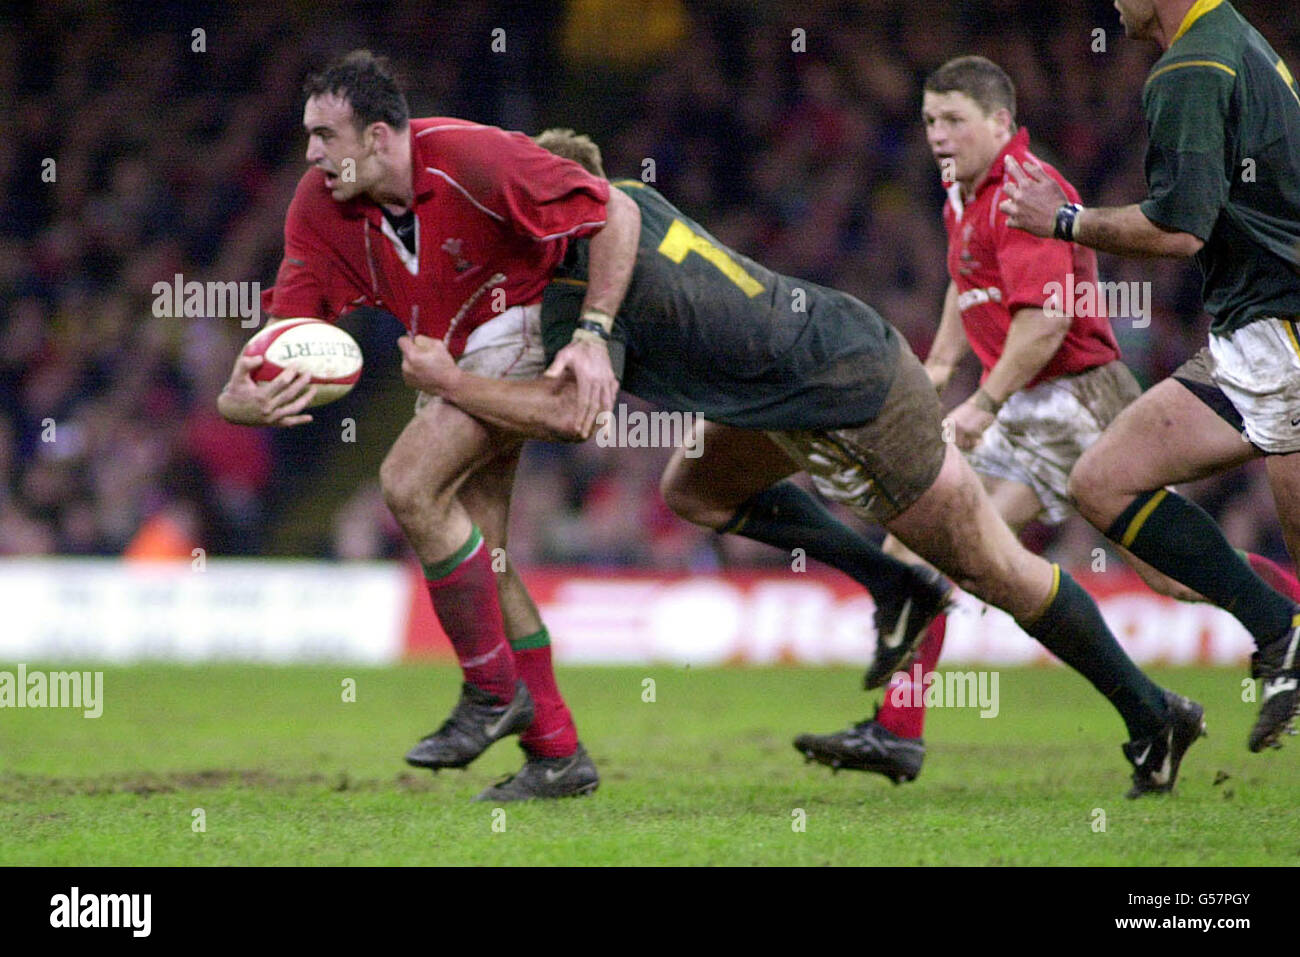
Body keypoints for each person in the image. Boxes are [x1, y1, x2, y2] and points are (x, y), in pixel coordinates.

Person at [400, 129, 1206, 798]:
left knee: (1001, 571)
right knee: (694, 486)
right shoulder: (635, 207)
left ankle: (1152, 713)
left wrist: (448, 381)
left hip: (852, 389)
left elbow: (569, 414)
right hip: (798, 378)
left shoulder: (583, 286)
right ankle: (893, 582)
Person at [794, 55, 1300, 784]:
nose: (938, 134)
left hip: (1077, 396)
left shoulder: (1025, 192)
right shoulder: (961, 192)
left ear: (1001, 123)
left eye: (954, 121)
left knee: (1170, 577)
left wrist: (983, 401)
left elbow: (1046, 320)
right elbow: (964, 282)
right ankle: (904, 731)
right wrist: (939, 365)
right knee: (930, 544)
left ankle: (1264, 642)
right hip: (1029, 405)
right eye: (930, 120)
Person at [216, 51, 642, 801]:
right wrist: (240, 397)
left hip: (524, 318)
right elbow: (287, 334)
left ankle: (490, 693)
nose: (311, 153)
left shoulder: (474, 158)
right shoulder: (319, 204)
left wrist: (595, 331)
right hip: (450, 353)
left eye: (325, 135)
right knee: (490, 554)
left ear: (378, 137)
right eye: (308, 136)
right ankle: (558, 753)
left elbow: (617, 211)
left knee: (408, 482)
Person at [1000, 0, 1300, 752]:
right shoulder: (1237, 37)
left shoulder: (1195, 64)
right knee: (1104, 479)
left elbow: (1179, 227)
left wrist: (1063, 220)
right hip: (1246, 340)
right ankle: (1279, 627)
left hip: (1287, 330)